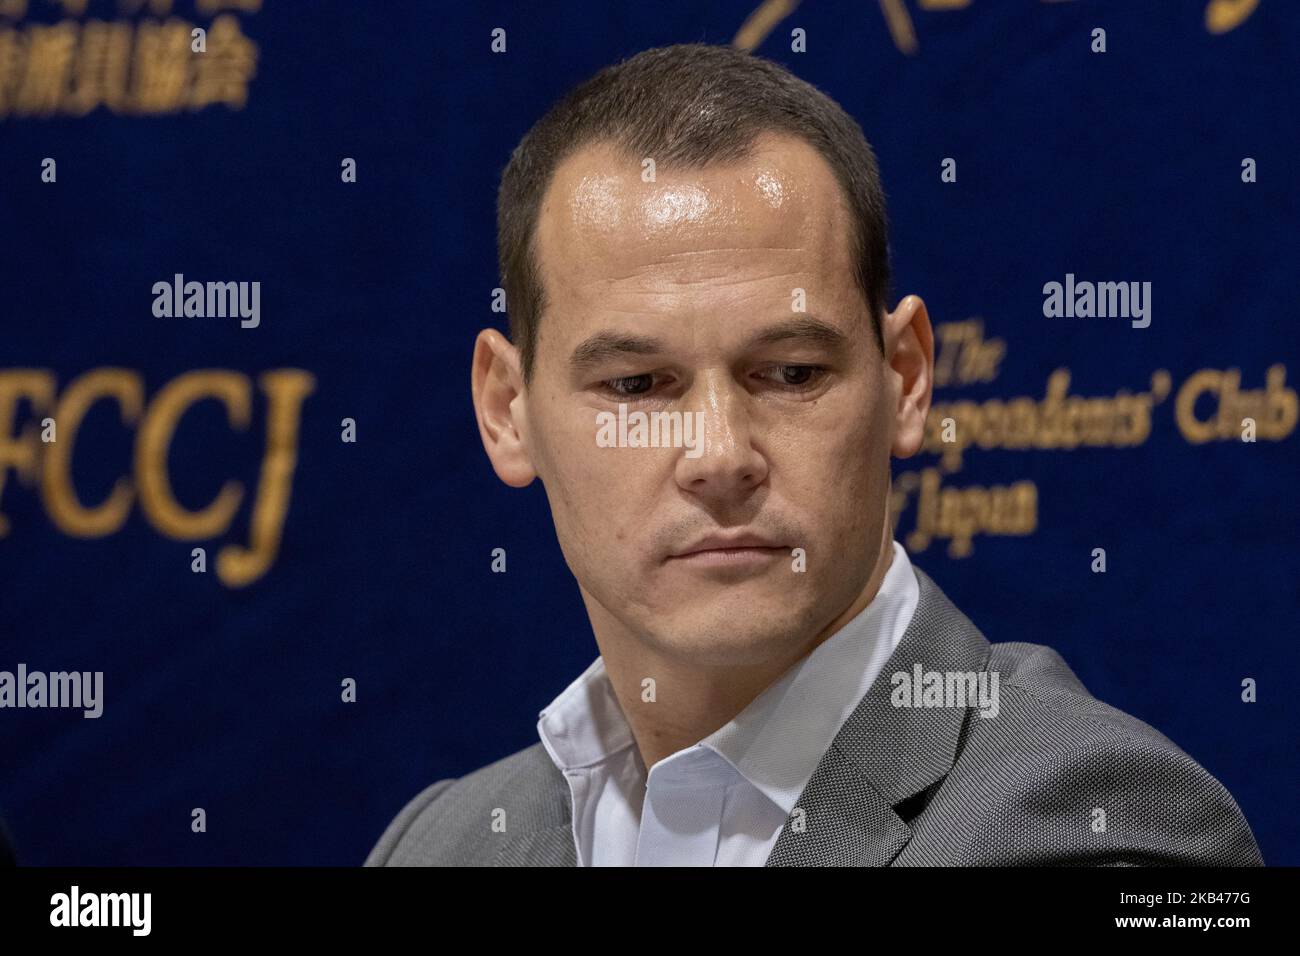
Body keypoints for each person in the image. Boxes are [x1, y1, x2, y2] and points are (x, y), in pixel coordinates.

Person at [366, 43, 1262, 866]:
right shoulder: (437, 844)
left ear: (906, 380)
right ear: (505, 410)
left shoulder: (1110, 832)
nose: (717, 454)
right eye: (637, 387)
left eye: (791, 373)